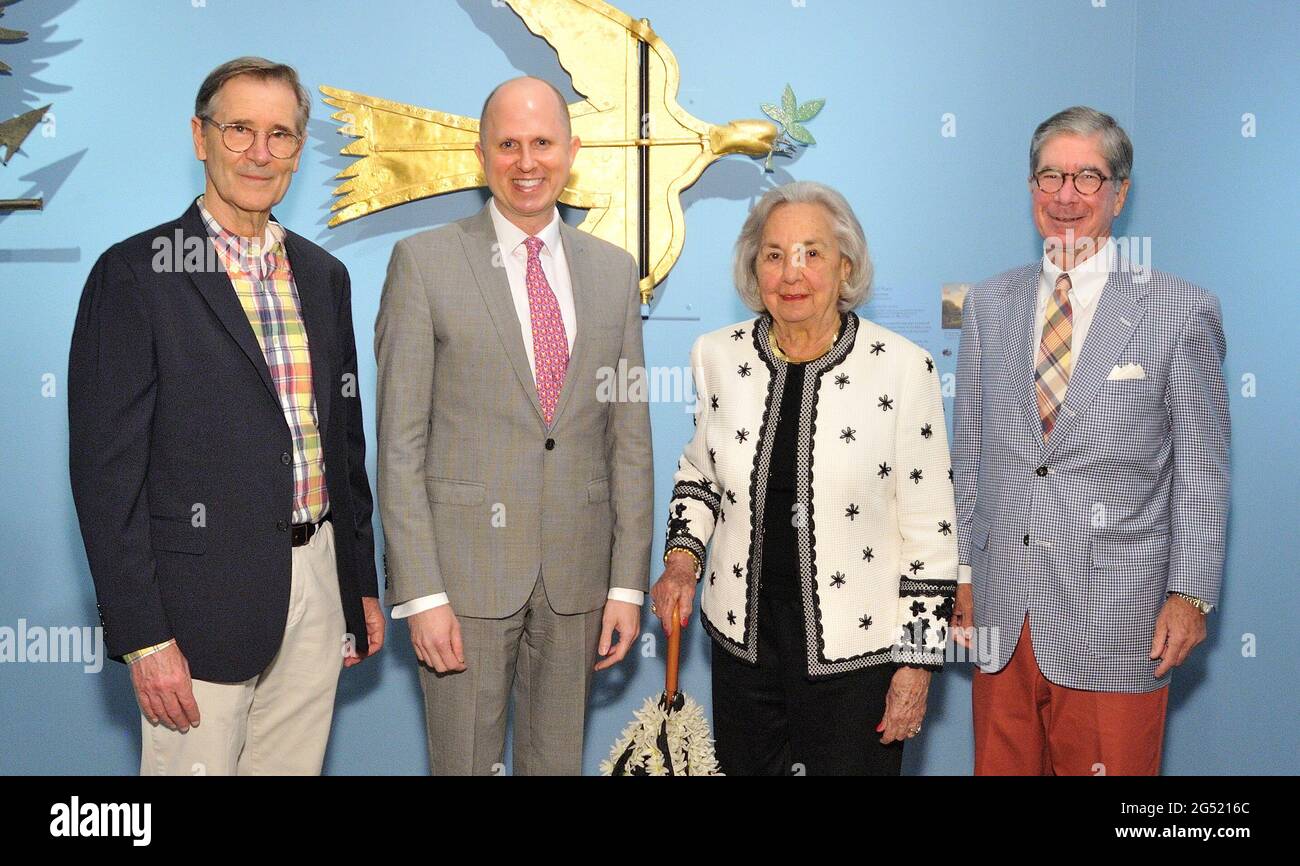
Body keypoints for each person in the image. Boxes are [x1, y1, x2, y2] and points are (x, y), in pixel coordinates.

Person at [68, 57, 383, 776]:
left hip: (316, 585)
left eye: (280, 135)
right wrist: (144, 636)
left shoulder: (323, 275)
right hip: (196, 604)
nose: (259, 152)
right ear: (199, 136)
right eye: (239, 129)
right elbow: (104, 477)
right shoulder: (137, 273)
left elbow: (341, 442)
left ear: (299, 152)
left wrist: (357, 583)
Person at [375, 76, 653, 775]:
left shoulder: (615, 273)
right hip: (461, 585)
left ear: (572, 151)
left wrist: (626, 584)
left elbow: (630, 441)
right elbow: (400, 446)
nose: (526, 162)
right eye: (508, 145)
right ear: (481, 155)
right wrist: (422, 593)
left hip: (578, 582)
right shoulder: (424, 262)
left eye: (542, 143)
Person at [950, 106, 1230, 775]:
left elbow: (1202, 471)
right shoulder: (988, 303)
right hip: (1001, 615)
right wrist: (962, 575)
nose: (1066, 196)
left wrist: (1190, 595)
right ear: (1030, 188)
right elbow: (970, 454)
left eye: (1087, 178)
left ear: (1120, 193)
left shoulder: (1179, 309)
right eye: (1050, 176)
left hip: (1119, 615)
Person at [650, 181, 957, 775]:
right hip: (744, 650)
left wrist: (917, 663)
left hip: (860, 657)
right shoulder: (716, 356)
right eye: (774, 254)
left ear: (846, 267)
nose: (792, 273)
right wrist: (682, 560)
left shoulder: (901, 368)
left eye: (812, 253)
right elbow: (700, 472)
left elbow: (932, 526)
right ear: (753, 268)